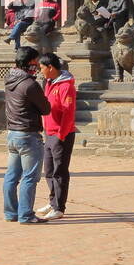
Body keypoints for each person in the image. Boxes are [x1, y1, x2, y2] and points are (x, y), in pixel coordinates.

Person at [3, 47, 51, 224]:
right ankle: (26, 214)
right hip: (28, 134)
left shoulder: (9, 79)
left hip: (12, 133)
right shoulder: (30, 84)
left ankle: (10, 213)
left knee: (11, 176)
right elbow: (46, 109)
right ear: (30, 63)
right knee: (30, 177)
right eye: (36, 62)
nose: (37, 66)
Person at [35, 52, 77, 220]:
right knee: (49, 170)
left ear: (50, 68)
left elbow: (68, 112)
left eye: (42, 68)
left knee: (59, 171)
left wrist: (61, 134)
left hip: (62, 134)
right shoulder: (49, 83)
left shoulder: (66, 86)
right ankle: (53, 201)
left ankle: (59, 207)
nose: (41, 71)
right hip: (49, 132)